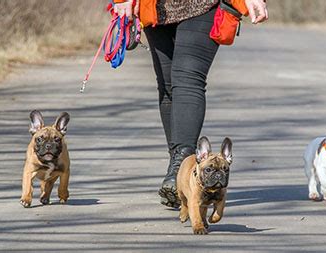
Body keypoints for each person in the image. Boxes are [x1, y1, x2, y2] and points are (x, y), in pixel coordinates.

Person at [113, 0, 268, 208]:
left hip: (205, 6)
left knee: (187, 78)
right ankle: (179, 169)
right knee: (167, 86)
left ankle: (180, 166)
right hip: (157, 9)